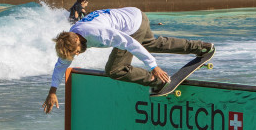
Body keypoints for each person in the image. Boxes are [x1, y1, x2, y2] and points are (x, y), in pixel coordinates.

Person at [43, 6, 212, 113]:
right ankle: (201, 47)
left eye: (76, 52)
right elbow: (61, 65)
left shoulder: (98, 33)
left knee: (115, 69)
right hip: (137, 15)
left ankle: (158, 82)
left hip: (132, 27)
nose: (77, 55)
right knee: (152, 44)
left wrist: (154, 67)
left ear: (78, 41)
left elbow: (128, 42)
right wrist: (52, 91)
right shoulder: (72, 37)